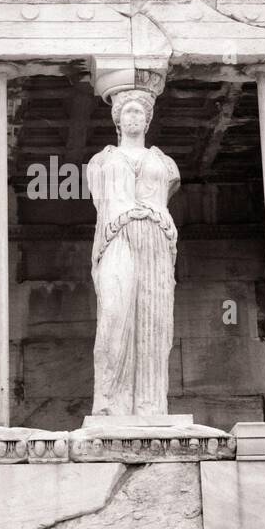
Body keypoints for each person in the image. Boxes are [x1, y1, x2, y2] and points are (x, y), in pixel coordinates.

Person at [86, 87, 180, 418]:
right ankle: (111, 403)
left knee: (155, 319)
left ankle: (150, 407)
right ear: (117, 119)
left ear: (148, 119)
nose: (134, 116)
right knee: (114, 314)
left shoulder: (165, 163)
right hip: (117, 235)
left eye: (140, 111)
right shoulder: (101, 161)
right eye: (127, 111)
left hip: (156, 235)